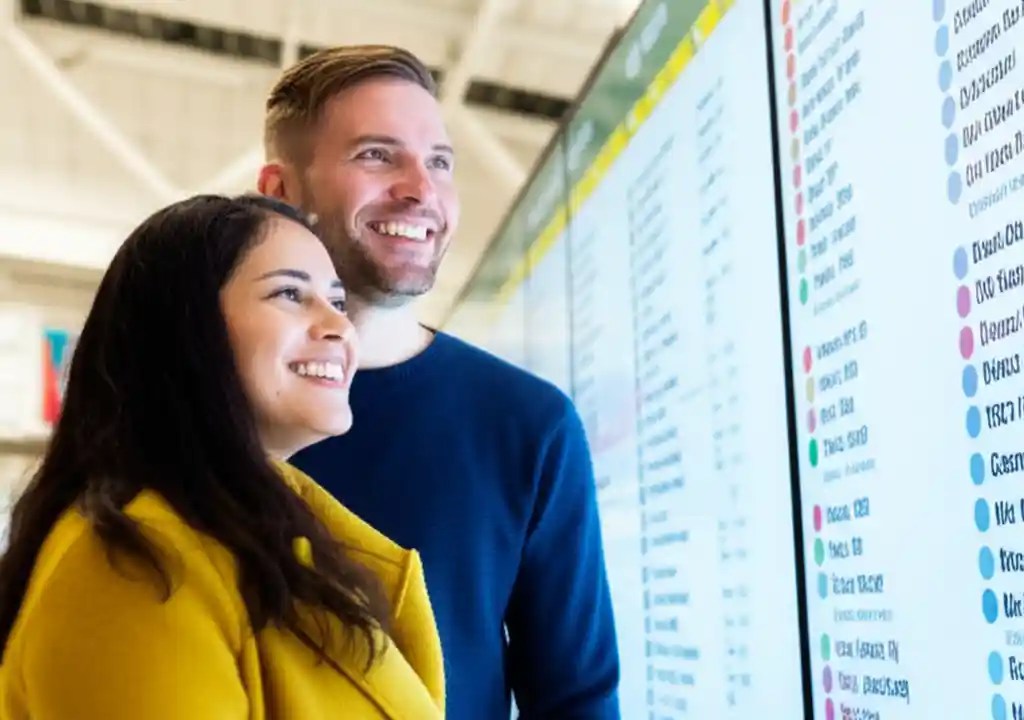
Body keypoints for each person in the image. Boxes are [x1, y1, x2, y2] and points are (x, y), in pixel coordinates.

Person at [257, 45, 620, 718]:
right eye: (376, 154)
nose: (420, 189)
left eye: (440, 162)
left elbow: (577, 700)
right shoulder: (212, 407)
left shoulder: (528, 425)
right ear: (281, 194)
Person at [0, 195, 445, 719]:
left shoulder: (285, 554)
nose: (339, 328)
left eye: (337, 302)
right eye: (290, 294)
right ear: (186, 330)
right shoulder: (132, 565)